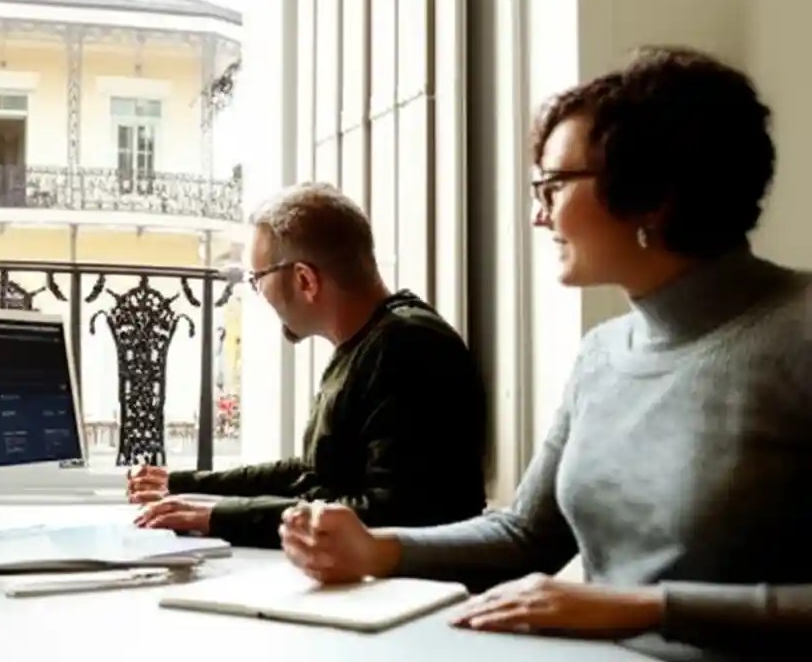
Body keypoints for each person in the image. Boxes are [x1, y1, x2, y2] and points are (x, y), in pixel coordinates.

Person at [279, 46, 812, 660]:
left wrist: (647, 607)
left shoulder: (798, 330)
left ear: (651, 192)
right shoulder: (602, 353)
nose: (539, 214)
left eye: (553, 185)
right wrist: (377, 549)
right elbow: (526, 534)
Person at [129, 183, 488, 548]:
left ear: (305, 279)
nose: (258, 293)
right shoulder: (374, 342)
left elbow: (390, 513)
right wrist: (183, 485)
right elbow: (311, 472)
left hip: (412, 580)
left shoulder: (406, 348)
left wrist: (218, 517)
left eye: (258, 279)